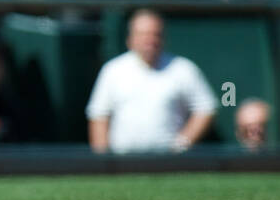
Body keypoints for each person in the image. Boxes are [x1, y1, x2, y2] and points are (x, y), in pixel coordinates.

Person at [86, 10, 217, 154]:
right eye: (143, 34)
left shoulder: (182, 69)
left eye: (155, 34)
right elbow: (98, 115)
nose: (149, 40)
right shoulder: (113, 70)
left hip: (168, 163)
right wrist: (104, 160)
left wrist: (181, 146)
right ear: (130, 39)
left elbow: (206, 108)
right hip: (122, 162)